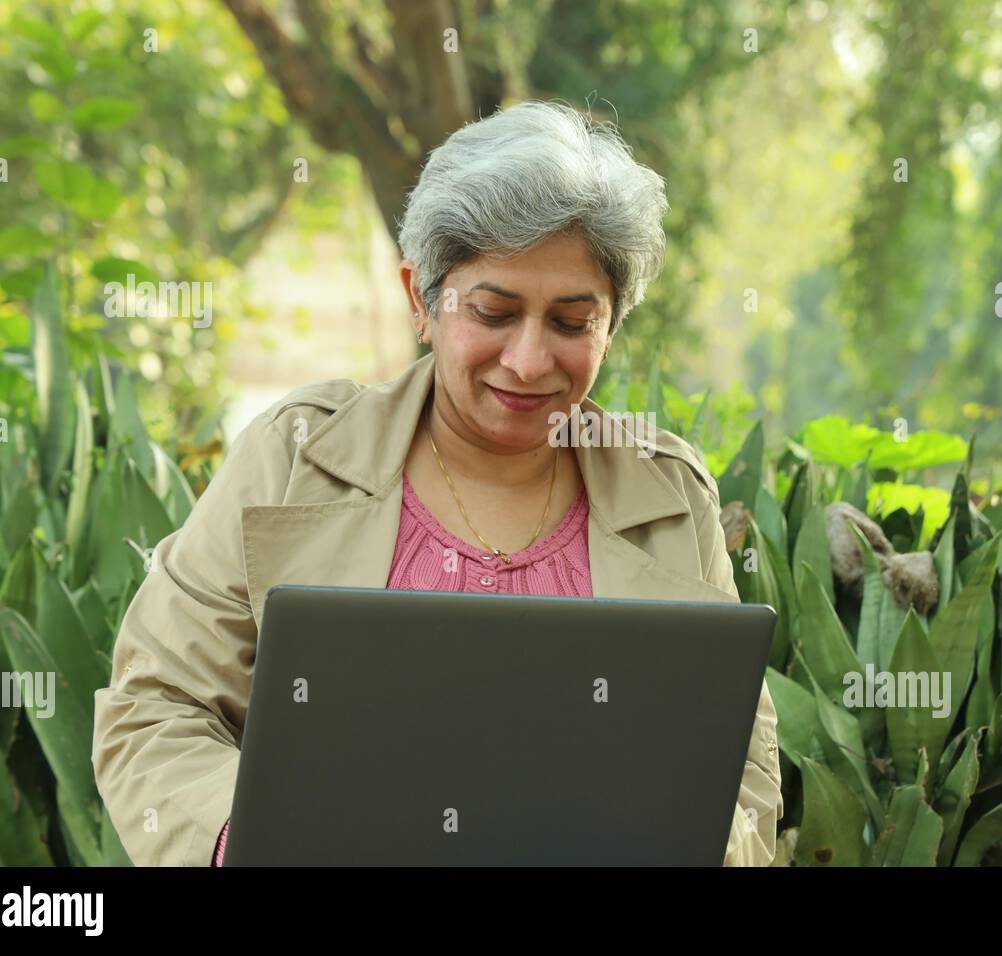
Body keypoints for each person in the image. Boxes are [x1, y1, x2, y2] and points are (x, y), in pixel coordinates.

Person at [92, 100, 783, 867]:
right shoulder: (295, 457)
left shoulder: (670, 497)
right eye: (493, 311)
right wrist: (251, 844)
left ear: (611, 325)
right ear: (421, 298)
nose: (527, 361)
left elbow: (738, 772)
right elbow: (155, 706)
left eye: (570, 322)